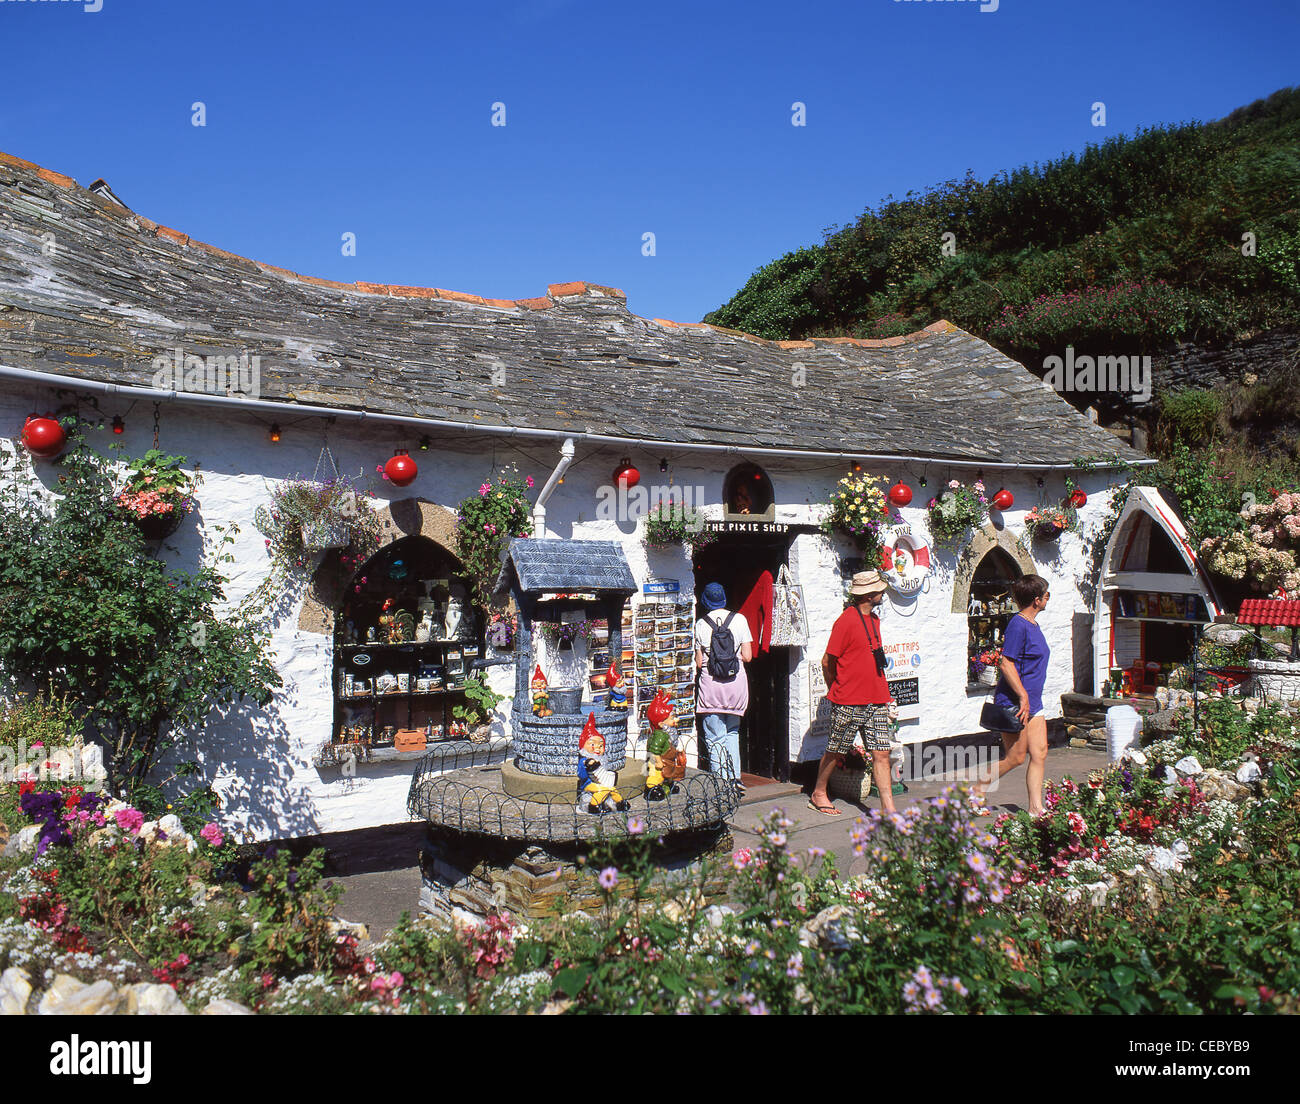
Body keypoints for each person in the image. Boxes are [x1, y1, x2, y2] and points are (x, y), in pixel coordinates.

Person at [809, 570, 896, 817]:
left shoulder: (874, 620)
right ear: (870, 594)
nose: (883, 593)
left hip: (877, 697)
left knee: (881, 752)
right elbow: (828, 661)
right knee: (836, 749)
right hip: (849, 699)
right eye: (880, 590)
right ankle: (819, 792)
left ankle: (889, 809)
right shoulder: (846, 620)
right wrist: (836, 687)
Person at [974, 574, 1051, 817]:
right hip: (1016, 702)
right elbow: (1006, 663)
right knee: (1016, 757)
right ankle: (977, 789)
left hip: (1033, 702)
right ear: (1036, 600)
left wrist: (1029, 698)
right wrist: (1022, 696)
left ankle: (1035, 809)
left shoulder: (1033, 624)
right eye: (1046, 594)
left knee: (1040, 752)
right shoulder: (1019, 624)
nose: (1049, 598)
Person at [695, 581, 753, 792]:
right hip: (736, 686)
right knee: (732, 733)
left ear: (705, 601)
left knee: (714, 736)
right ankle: (735, 779)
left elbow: (699, 662)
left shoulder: (701, 624)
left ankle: (721, 784)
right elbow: (747, 656)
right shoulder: (740, 620)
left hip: (712, 688)